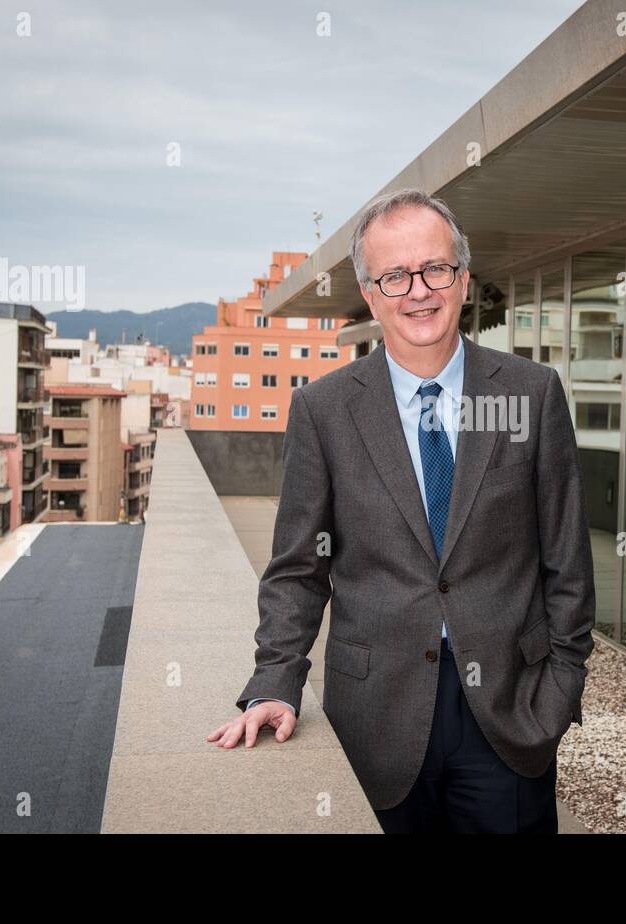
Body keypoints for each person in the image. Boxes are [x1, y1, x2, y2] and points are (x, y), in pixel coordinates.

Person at [206, 187, 595, 833]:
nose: (418, 291)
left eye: (435, 269)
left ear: (463, 278)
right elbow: (300, 567)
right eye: (395, 276)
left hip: (509, 710)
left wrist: (560, 685)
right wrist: (275, 681)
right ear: (371, 292)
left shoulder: (531, 393)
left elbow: (566, 557)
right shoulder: (324, 410)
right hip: (374, 714)